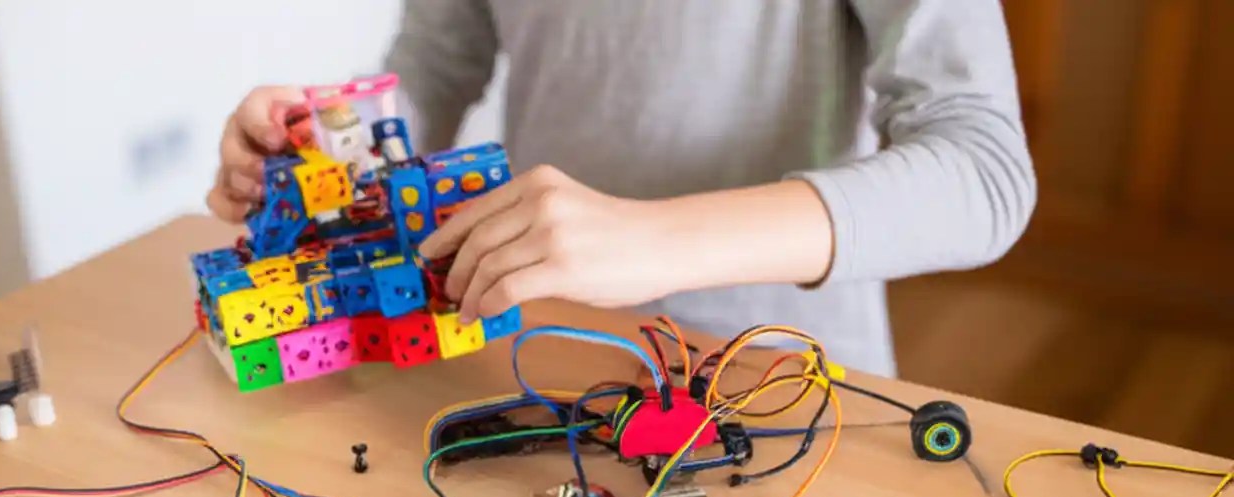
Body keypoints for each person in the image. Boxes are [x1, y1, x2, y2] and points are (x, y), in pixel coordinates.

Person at [206, 1, 1036, 377]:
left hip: (777, 374)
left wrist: (650, 239)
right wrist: (326, 148)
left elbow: (984, 170)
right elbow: (432, 61)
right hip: (539, 353)